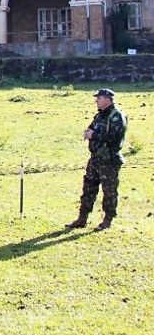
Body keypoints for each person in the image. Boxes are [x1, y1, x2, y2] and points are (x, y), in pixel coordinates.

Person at [66, 88, 127, 232]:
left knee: (109, 191)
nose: (96, 101)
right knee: (88, 187)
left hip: (109, 161)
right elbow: (92, 128)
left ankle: (107, 220)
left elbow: (115, 137)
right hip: (95, 159)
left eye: (99, 98)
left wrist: (94, 134)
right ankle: (82, 218)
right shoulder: (100, 116)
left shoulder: (117, 116)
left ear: (107, 99)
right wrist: (88, 133)